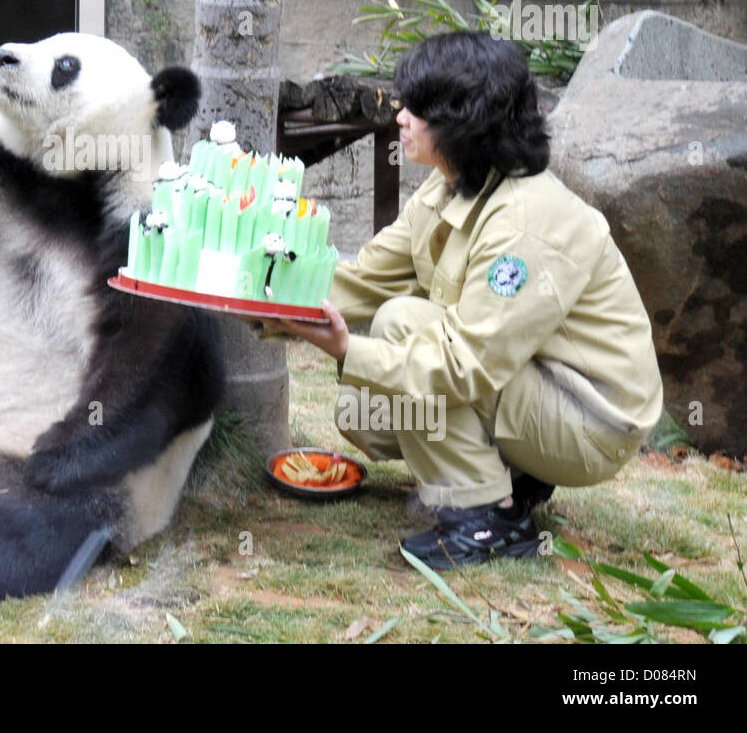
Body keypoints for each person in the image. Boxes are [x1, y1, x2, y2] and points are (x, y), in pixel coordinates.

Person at [267, 31, 663, 569]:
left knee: (403, 324)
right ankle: (514, 474)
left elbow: (464, 364)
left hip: (590, 420)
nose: (399, 116)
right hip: (533, 384)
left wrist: (346, 351)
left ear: (465, 122)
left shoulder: (527, 222)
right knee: (366, 411)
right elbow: (360, 280)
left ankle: (487, 519)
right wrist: (260, 300)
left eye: (417, 109)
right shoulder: (449, 186)